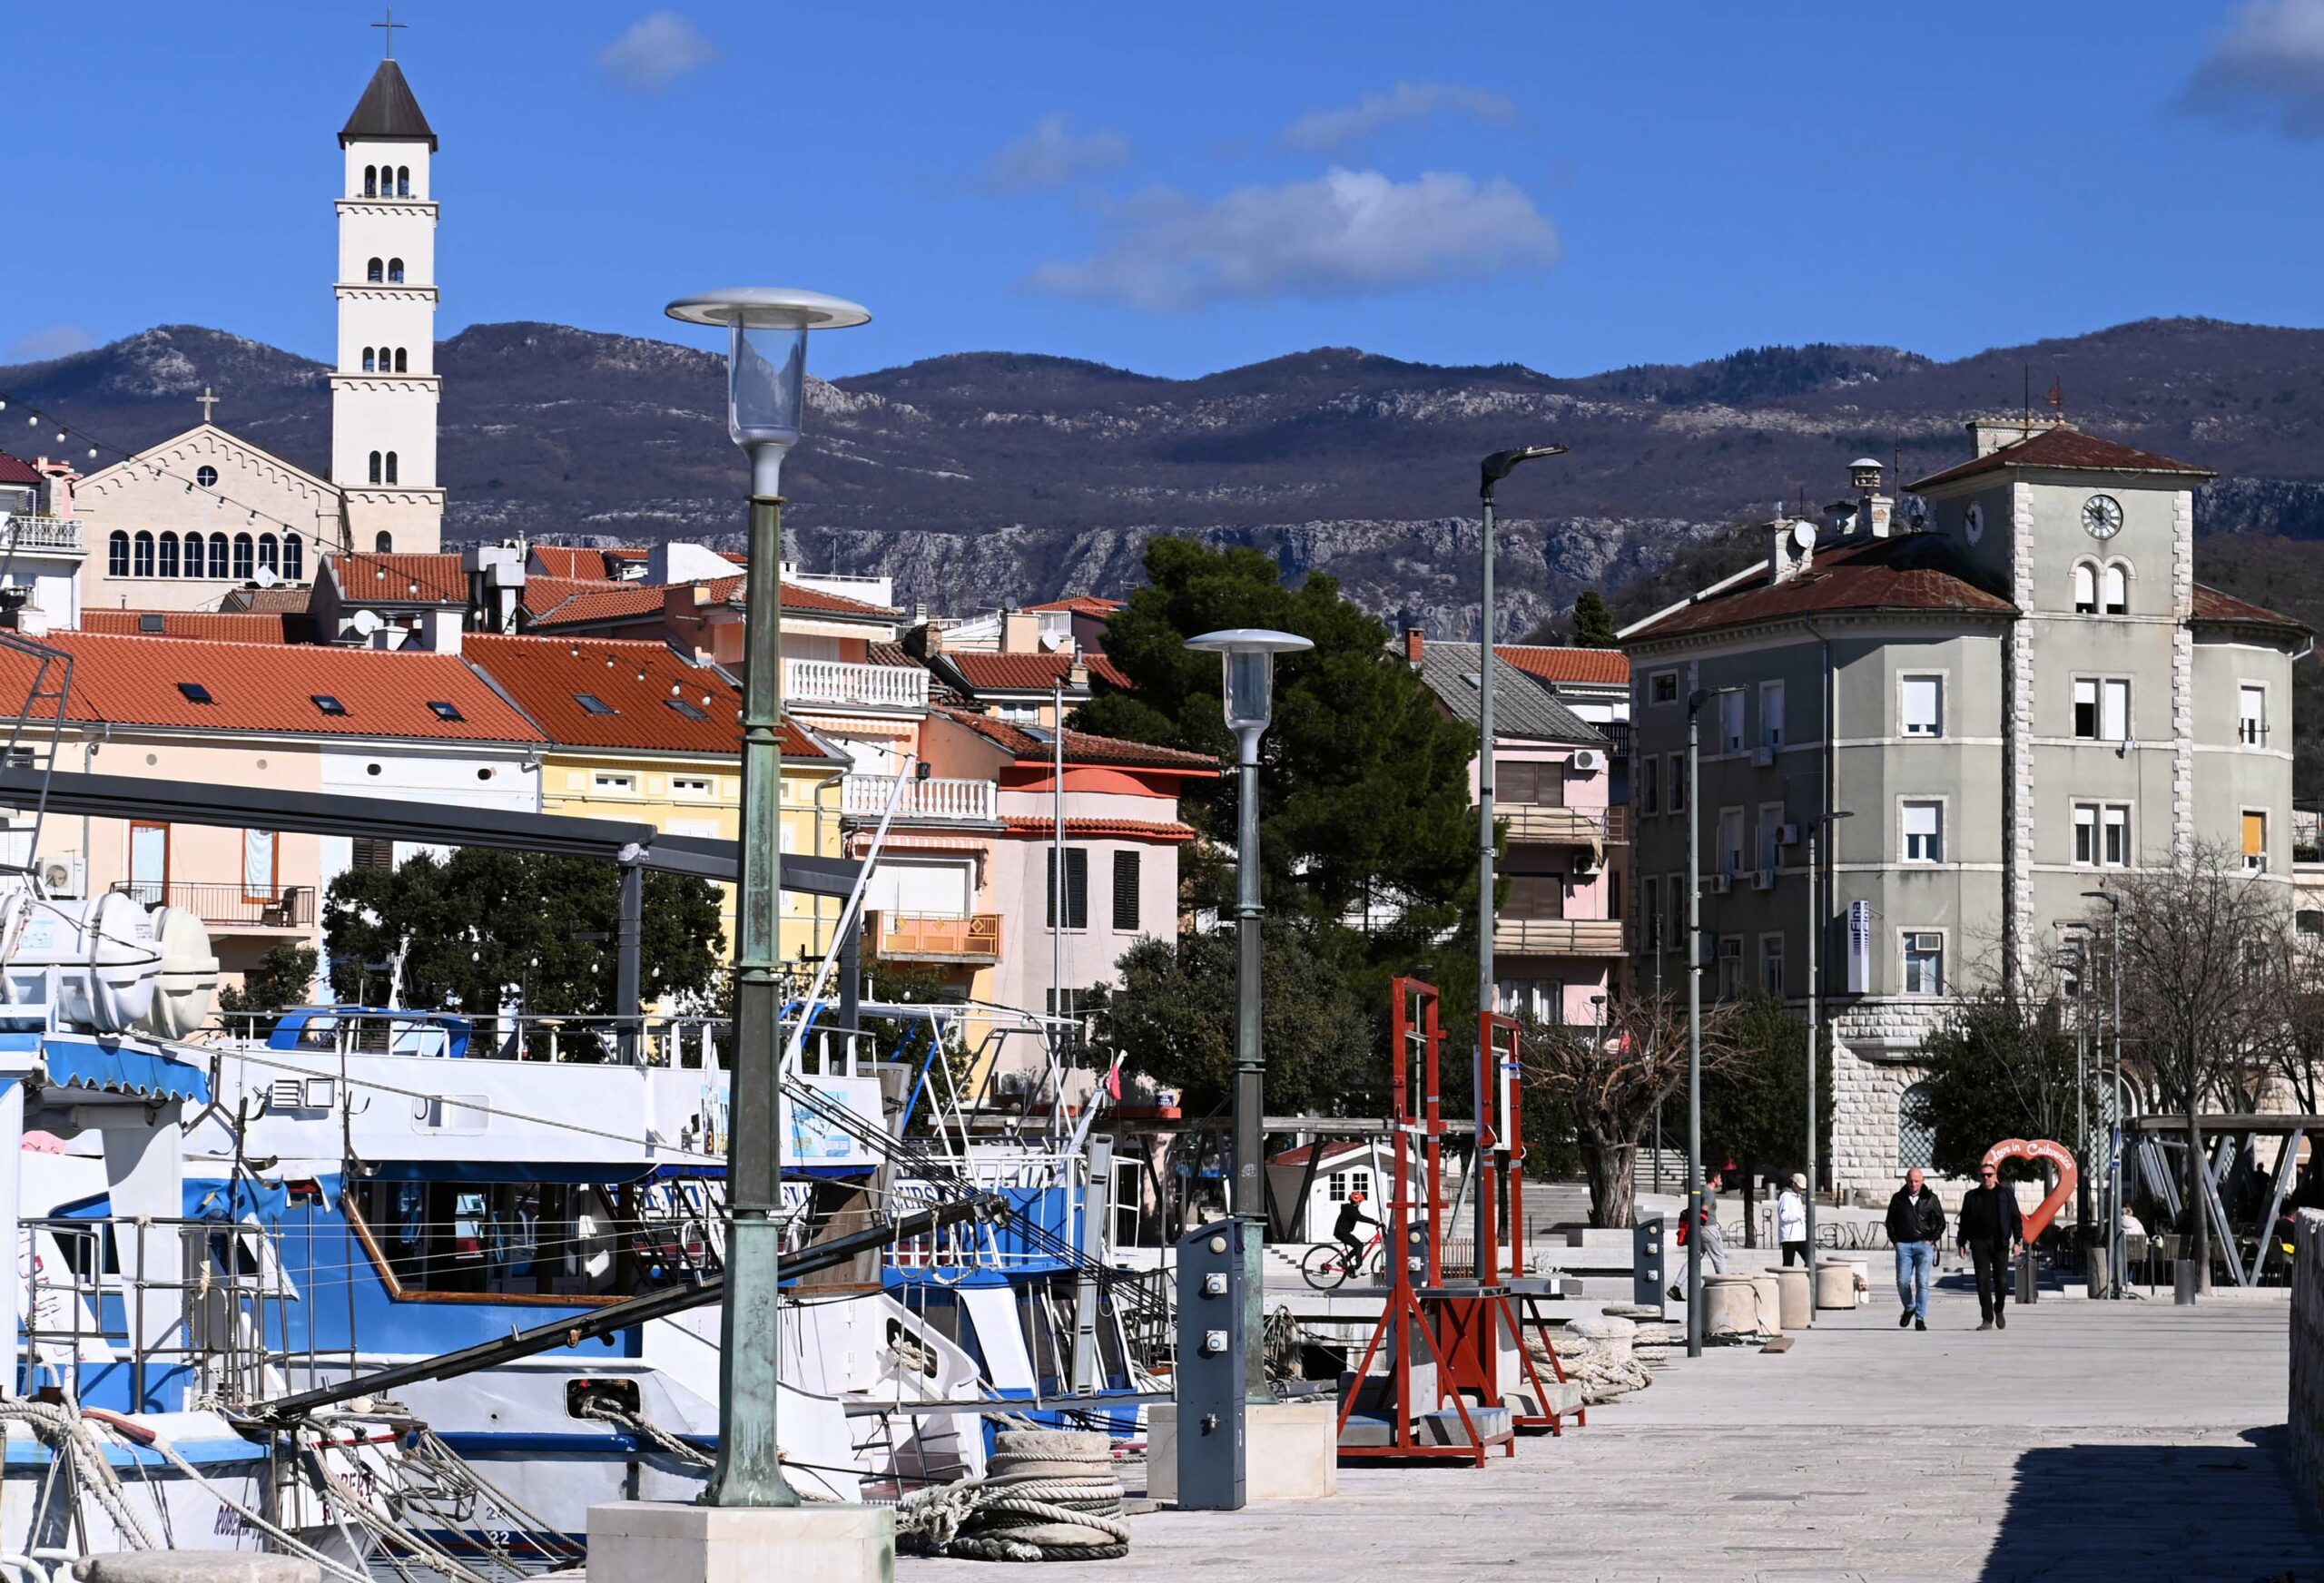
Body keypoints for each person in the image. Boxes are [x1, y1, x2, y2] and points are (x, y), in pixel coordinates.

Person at [1956, 1161, 2025, 1331]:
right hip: (1979, 1243)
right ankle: (1987, 1318)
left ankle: (1999, 1308)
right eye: (1983, 1175)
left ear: (1995, 1176)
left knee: (2002, 1281)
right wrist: (1961, 1242)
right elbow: (1964, 1221)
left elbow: (2015, 1218)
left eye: (1989, 1175)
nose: (1986, 1178)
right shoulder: (1971, 1197)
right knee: (1982, 1281)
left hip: (2000, 1243)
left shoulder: (2006, 1195)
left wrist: (2017, 1241)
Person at [1886, 1167, 1945, 1331]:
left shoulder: (1931, 1199)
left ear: (1922, 1181)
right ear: (1906, 1180)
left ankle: (1920, 1318)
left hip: (1923, 1246)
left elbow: (1941, 1222)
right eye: (1911, 1181)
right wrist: (1896, 1242)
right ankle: (1909, 1307)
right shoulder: (1898, 1198)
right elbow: (1889, 1222)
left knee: (1922, 1281)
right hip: (1903, 1245)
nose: (1913, 1184)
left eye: (1917, 1181)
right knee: (1902, 1281)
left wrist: (1932, 1240)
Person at [1333, 1188, 1378, 1274]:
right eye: (1360, 1202)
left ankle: (1343, 1261)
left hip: (1342, 1232)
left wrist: (1374, 1222)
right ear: (1357, 1202)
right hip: (1342, 1233)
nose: (1360, 1204)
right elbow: (1360, 1217)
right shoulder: (1351, 1209)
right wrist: (1375, 1222)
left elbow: (1359, 1216)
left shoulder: (1350, 1208)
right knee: (1359, 1245)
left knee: (1358, 1246)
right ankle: (1358, 1268)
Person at [1777, 1172, 1809, 1267]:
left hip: (1799, 1236)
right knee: (1788, 1263)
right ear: (1793, 1184)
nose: (1801, 1189)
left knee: (1810, 1259)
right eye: (1799, 1187)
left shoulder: (1797, 1196)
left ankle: (1807, 1274)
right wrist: (1800, 1215)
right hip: (1789, 1237)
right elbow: (1784, 1216)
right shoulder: (1785, 1196)